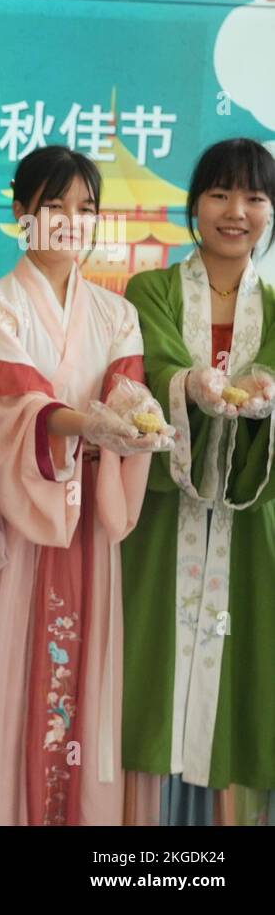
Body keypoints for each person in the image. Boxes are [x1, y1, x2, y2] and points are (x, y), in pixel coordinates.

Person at [0, 145, 172, 825]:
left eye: (85, 209)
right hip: (25, 508)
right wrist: (92, 425)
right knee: (15, 665)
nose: (70, 221)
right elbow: (14, 407)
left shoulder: (116, 312)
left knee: (87, 673)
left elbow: (127, 388)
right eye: (54, 205)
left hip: (90, 516)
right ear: (21, 211)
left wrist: (138, 418)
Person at [121, 138, 275, 826]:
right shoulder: (149, 291)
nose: (236, 211)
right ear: (194, 206)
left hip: (250, 520)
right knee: (147, 671)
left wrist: (264, 392)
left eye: (254, 197)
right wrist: (188, 384)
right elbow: (150, 368)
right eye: (219, 194)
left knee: (247, 673)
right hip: (162, 516)